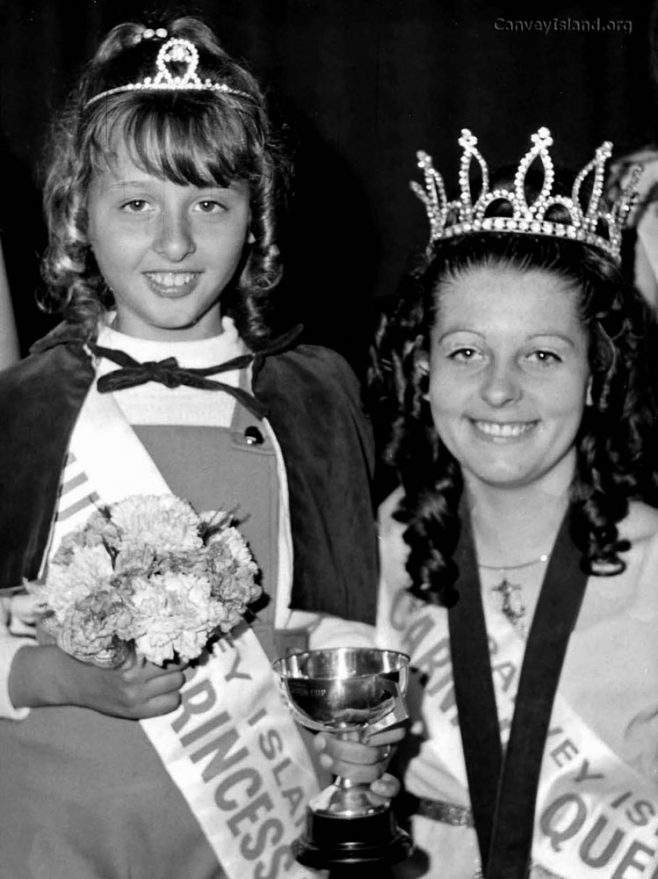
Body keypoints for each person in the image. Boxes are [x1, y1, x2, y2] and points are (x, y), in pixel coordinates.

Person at [0, 17, 400, 879]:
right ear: (80, 213)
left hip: (246, 840)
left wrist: (353, 736)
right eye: (137, 202)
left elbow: (331, 626)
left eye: (210, 204)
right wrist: (64, 678)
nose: (175, 243)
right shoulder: (24, 407)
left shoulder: (310, 394)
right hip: (47, 837)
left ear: (257, 219)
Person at [370, 127, 658, 878]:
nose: (500, 388)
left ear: (596, 373)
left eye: (542, 354)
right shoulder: (386, 538)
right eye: (467, 351)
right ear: (422, 366)